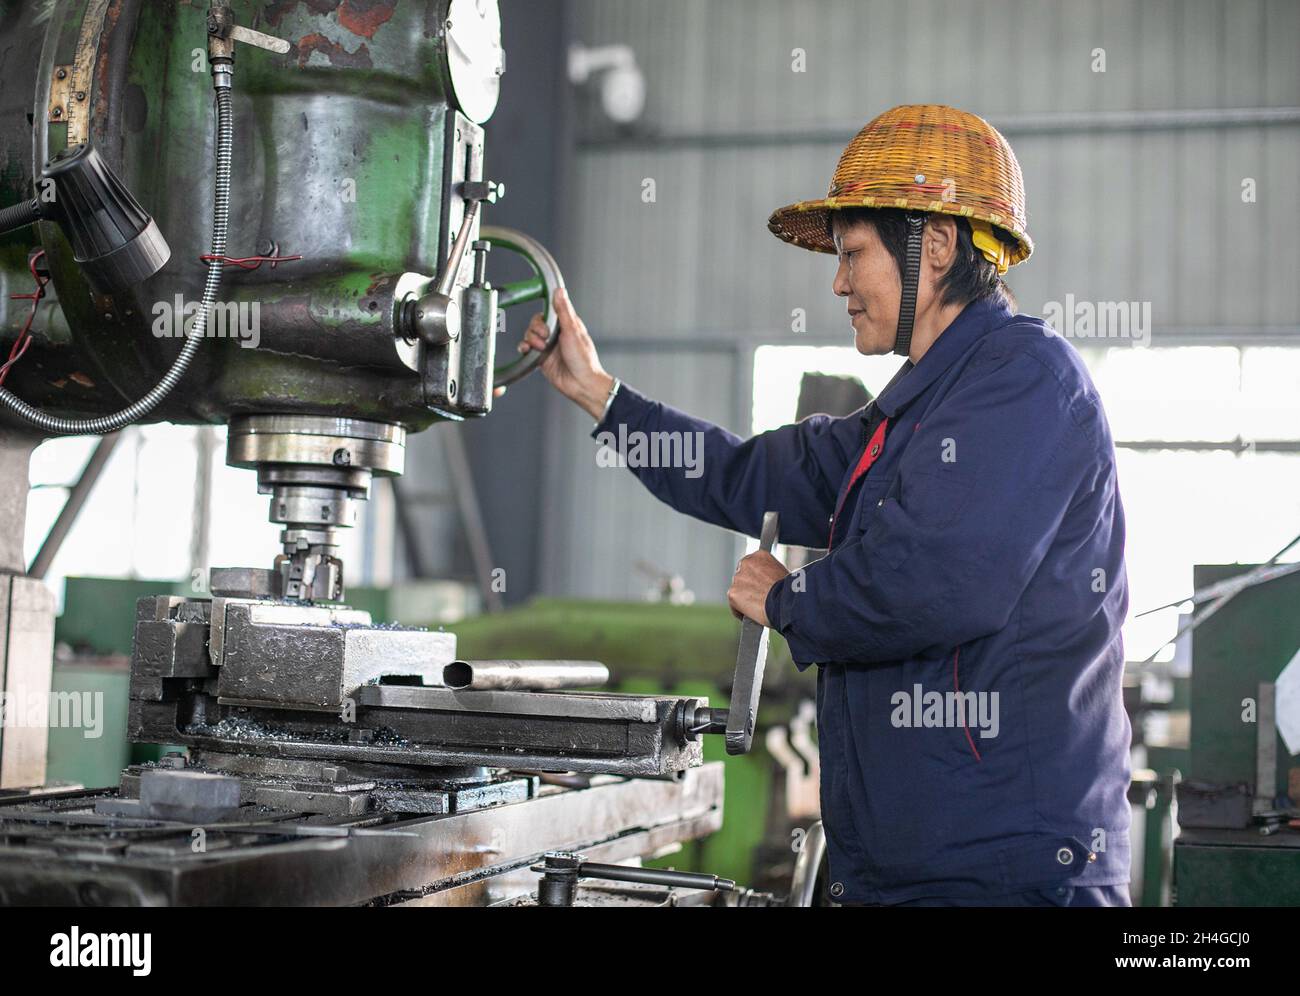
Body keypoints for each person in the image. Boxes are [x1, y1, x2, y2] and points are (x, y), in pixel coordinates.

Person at [518, 104, 1132, 906]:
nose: (839, 282)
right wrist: (601, 396)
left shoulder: (1024, 384)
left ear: (935, 246)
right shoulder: (909, 419)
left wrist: (784, 596)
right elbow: (744, 474)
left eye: (854, 254)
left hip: (1003, 874)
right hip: (908, 869)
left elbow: (935, 582)